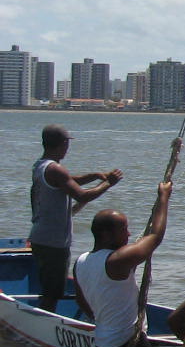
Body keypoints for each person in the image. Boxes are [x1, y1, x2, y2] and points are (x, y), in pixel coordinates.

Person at [72, 181, 172, 347]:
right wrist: (164, 197)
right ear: (106, 235)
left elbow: (81, 301)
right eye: (123, 230)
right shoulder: (116, 260)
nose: (128, 235)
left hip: (104, 344)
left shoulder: (80, 261)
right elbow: (155, 236)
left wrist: (103, 318)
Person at [27, 124, 122, 312]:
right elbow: (82, 196)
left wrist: (95, 176)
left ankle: (45, 318)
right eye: (66, 144)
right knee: (52, 294)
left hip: (40, 238)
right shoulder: (55, 169)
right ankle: (46, 325)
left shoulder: (41, 165)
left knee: (50, 288)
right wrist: (108, 184)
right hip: (53, 242)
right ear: (63, 144)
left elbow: (69, 181)